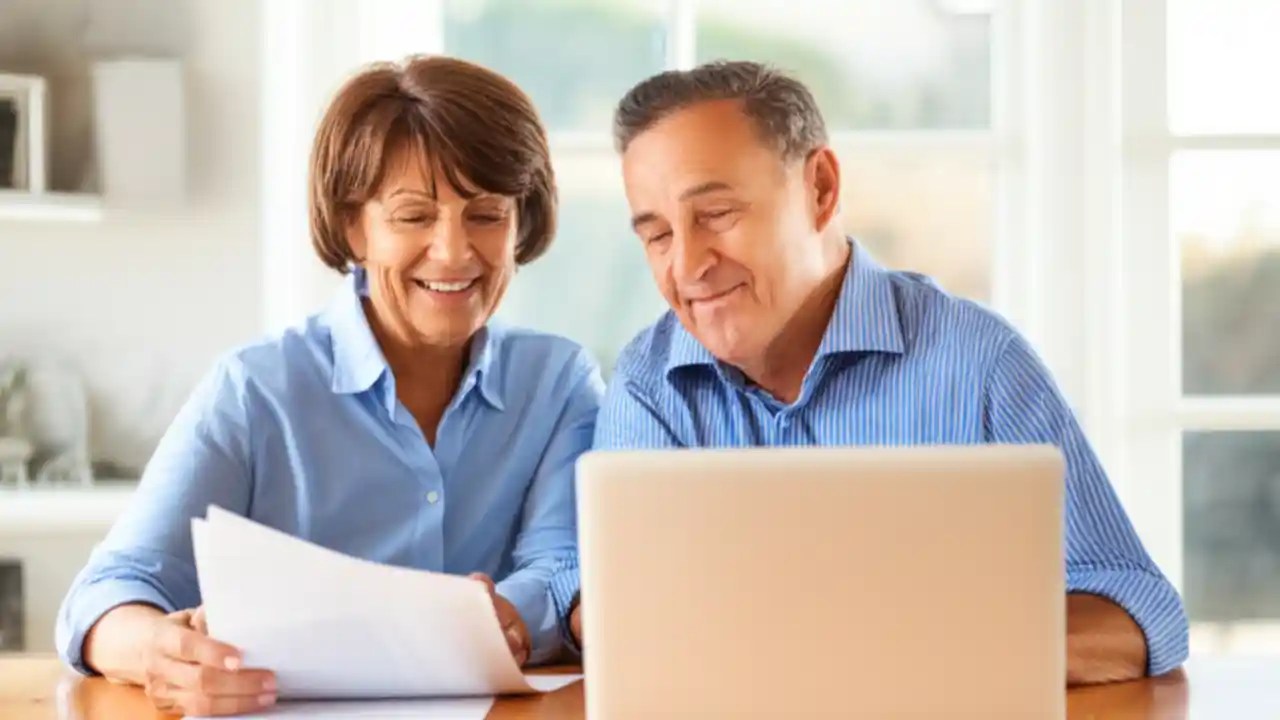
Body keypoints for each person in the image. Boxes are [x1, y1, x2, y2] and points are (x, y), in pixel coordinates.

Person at [560, 60, 1188, 686]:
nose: (690, 265)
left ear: (821, 189)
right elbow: (630, 618)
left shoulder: (979, 364)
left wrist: (925, 658)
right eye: (659, 235)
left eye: (717, 213)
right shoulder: (650, 384)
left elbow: (1136, 608)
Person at [56, 56, 601, 717]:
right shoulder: (255, 391)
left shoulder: (558, 381)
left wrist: (506, 615)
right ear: (353, 225)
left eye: (486, 214)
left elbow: (563, 563)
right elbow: (108, 591)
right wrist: (155, 650)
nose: (455, 251)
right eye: (413, 216)